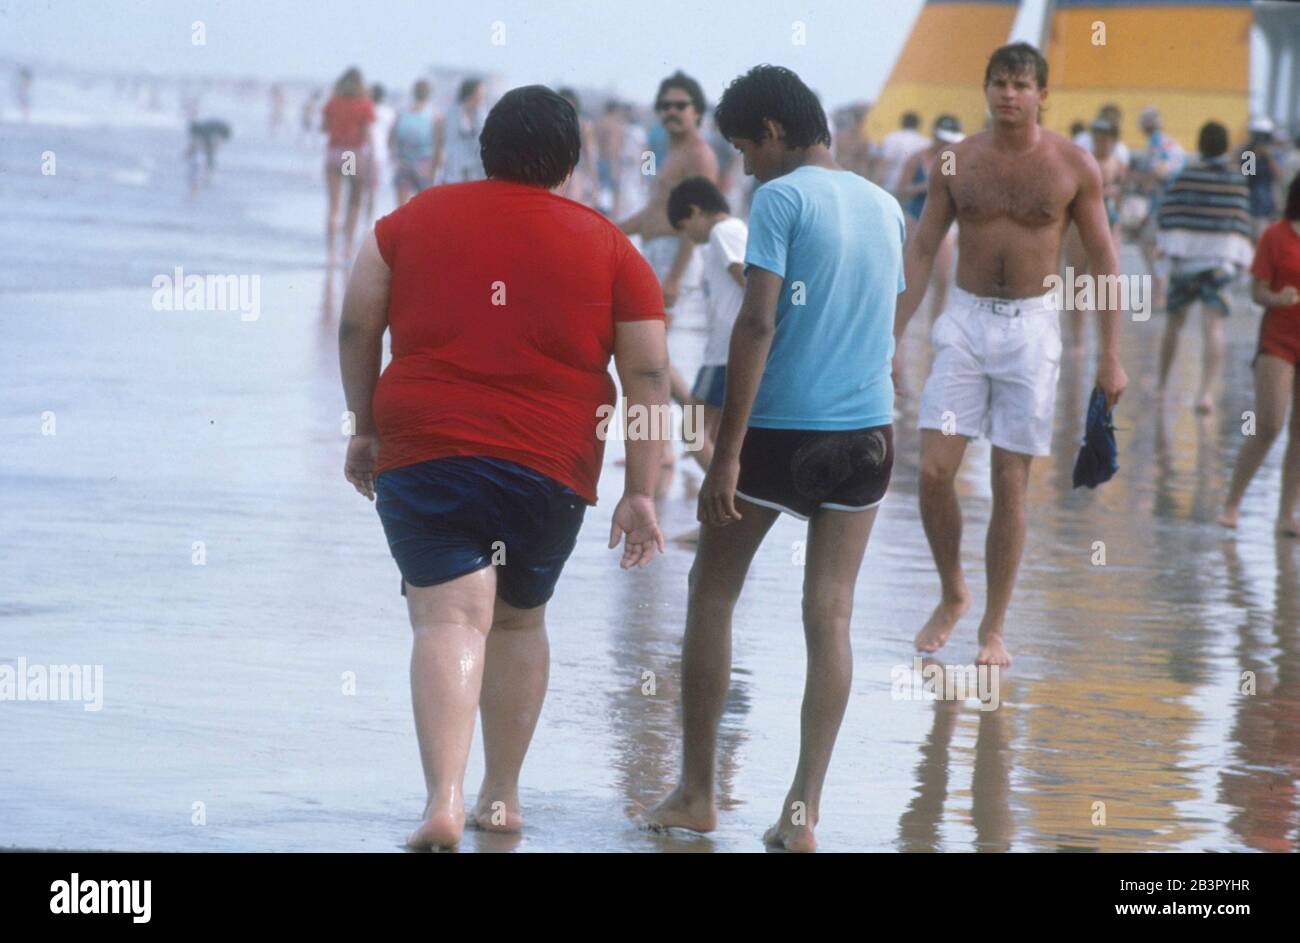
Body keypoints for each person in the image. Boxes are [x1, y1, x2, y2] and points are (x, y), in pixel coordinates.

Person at [338, 85, 670, 850]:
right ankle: (502, 798)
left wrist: (363, 426)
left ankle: (442, 804)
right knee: (518, 620)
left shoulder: (408, 222)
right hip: (549, 461)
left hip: (426, 447)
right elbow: (649, 376)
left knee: (448, 618)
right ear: (571, 161)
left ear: (484, 147)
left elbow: (359, 319)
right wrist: (641, 490)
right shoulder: (614, 248)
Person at [643, 65, 905, 853]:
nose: (746, 165)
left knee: (712, 591)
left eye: (748, 146)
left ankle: (696, 792)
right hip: (868, 437)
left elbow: (755, 326)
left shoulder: (781, 198)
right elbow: (883, 318)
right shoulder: (886, 204)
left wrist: (726, 455)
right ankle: (801, 815)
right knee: (830, 615)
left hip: (782, 432)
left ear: (778, 133)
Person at [894, 42, 1127, 668]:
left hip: (1032, 326)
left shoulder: (1072, 165)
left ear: (1043, 95)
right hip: (965, 320)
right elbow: (921, 250)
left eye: (1022, 84)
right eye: (999, 82)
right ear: (986, 89)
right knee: (934, 470)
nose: (1009, 95)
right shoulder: (955, 161)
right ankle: (953, 592)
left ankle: (994, 628)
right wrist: (893, 334)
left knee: (1009, 480)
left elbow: (1105, 263)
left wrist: (1111, 355)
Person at [619, 71, 720, 482]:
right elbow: (651, 215)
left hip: (679, 259)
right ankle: (661, 450)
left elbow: (696, 222)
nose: (672, 112)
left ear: (697, 111)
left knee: (658, 357)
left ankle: (685, 431)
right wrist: (605, 228)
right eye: (665, 106)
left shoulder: (699, 154)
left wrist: (675, 279)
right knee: (656, 356)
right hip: (655, 254)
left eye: (681, 105)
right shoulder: (669, 152)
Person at [1218, 173, 1300, 535]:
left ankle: (1286, 515)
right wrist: (1277, 298)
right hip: (1278, 340)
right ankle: (1232, 502)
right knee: (1269, 424)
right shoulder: (1275, 235)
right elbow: (1256, 292)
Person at [1155, 121, 1254, 414]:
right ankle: (1205, 394)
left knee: (1174, 324)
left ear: (1200, 144)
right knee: (1214, 327)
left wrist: (1167, 247)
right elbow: (1240, 221)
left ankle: (1161, 388)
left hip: (1186, 262)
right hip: (1219, 262)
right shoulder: (1236, 179)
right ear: (1225, 146)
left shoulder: (1186, 174)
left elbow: (1169, 212)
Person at [667, 176, 748, 470]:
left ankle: (725, 495)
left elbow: (749, 280)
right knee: (713, 432)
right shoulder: (731, 231)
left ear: (695, 211)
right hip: (730, 349)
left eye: (685, 228)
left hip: (725, 352)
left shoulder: (723, 232)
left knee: (691, 431)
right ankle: (728, 494)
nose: (688, 237)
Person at [896, 115, 963, 327]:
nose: (948, 144)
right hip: (915, 216)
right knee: (907, 275)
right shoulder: (916, 159)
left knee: (942, 277)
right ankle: (901, 322)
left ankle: (936, 322)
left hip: (943, 221)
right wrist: (925, 187)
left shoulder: (952, 160)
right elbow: (901, 190)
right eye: (945, 140)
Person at [1133, 106, 1187, 310]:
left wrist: (1141, 178)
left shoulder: (1157, 142)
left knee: (1153, 245)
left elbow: (1160, 171)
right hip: (1169, 204)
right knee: (1156, 245)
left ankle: (1160, 292)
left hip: (1165, 205)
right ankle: (1161, 289)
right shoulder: (1169, 142)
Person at [321, 67, 375, 269]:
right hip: (350, 154)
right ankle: (347, 248)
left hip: (333, 152)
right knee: (352, 202)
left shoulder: (331, 103)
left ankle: (330, 253)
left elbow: (324, 128)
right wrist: (372, 158)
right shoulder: (364, 105)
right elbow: (368, 134)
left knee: (333, 206)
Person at [391, 79, 439, 206]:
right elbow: (438, 144)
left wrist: (396, 158)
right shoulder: (434, 115)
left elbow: (391, 140)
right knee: (424, 207)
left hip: (403, 162)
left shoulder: (402, 113)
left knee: (400, 209)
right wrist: (435, 168)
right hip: (424, 164)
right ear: (429, 94)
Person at [435, 77, 487, 184]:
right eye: (480, 92)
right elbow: (448, 141)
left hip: (475, 169)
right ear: (471, 94)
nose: (483, 96)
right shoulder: (453, 112)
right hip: (454, 168)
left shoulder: (481, 114)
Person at [1239, 116, 1282, 241]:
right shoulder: (1249, 153)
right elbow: (1246, 176)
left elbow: (1280, 176)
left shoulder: (1274, 153)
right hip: (1248, 205)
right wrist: (1251, 154)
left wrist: (1268, 157)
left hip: (1266, 207)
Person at [557, 88, 600, 207]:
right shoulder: (552, 126)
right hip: (557, 175)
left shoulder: (584, 126)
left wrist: (594, 186)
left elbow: (591, 158)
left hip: (577, 175)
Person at [871, 111, 929, 195]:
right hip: (912, 188)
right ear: (918, 125)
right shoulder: (925, 141)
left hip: (890, 183)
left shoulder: (892, 137)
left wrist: (875, 183)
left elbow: (884, 163)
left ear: (902, 122)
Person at [364, 83, 397, 225]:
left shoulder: (364, 108)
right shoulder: (389, 112)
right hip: (378, 155)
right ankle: (367, 222)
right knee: (372, 189)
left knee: (352, 187)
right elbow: (392, 137)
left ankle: (351, 220)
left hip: (352, 154)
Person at [595, 99, 628, 217]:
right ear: (615, 111)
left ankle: (600, 217)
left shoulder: (599, 123)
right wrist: (615, 166)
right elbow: (613, 147)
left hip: (600, 160)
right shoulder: (614, 125)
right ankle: (614, 220)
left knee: (599, 192)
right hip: (611, 162)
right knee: (615, 192)